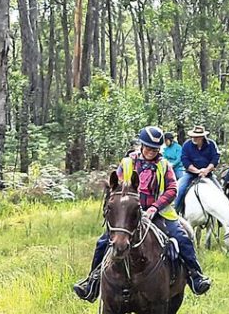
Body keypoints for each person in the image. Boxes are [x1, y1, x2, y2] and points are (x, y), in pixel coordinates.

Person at [72, 126, 211, 301]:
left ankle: (195, 276)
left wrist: (155, 207)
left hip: (160, 213)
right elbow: (117, 187)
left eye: (155, 149)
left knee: (181, 237)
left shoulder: (164, 165)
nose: (151, 152)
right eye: (148, 147)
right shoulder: (127, 163)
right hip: (130, 215)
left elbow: (172, 189)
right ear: (141, 145)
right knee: (103, 242)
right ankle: (92, 281)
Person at [175, 125, 220, 212]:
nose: (194, 138)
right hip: (191, 174)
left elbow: (215, 158)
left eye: (197, 137)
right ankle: (176, 213)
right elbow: (185, 160)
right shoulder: (187, 145)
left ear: (202, 137)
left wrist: (206, 170)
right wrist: (197, 171)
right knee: (180, 190)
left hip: (208, 174)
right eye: (193, 136)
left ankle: (220, 221)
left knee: (220, 192)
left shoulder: (211, 144)